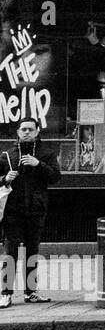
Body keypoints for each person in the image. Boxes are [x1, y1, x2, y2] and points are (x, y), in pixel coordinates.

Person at [1, 118, 61, 306]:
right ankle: (5, 293)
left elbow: (56, 177)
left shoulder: (46, 154)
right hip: (13, 212)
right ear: (18, 132)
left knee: (32, 252)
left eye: (30, 129)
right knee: (10, 252)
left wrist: (38, 164)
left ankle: (31, 292)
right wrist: (4, 178)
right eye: (23, 129)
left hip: (36, 211)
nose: (26, 132)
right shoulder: (8, 156)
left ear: (37, 132)